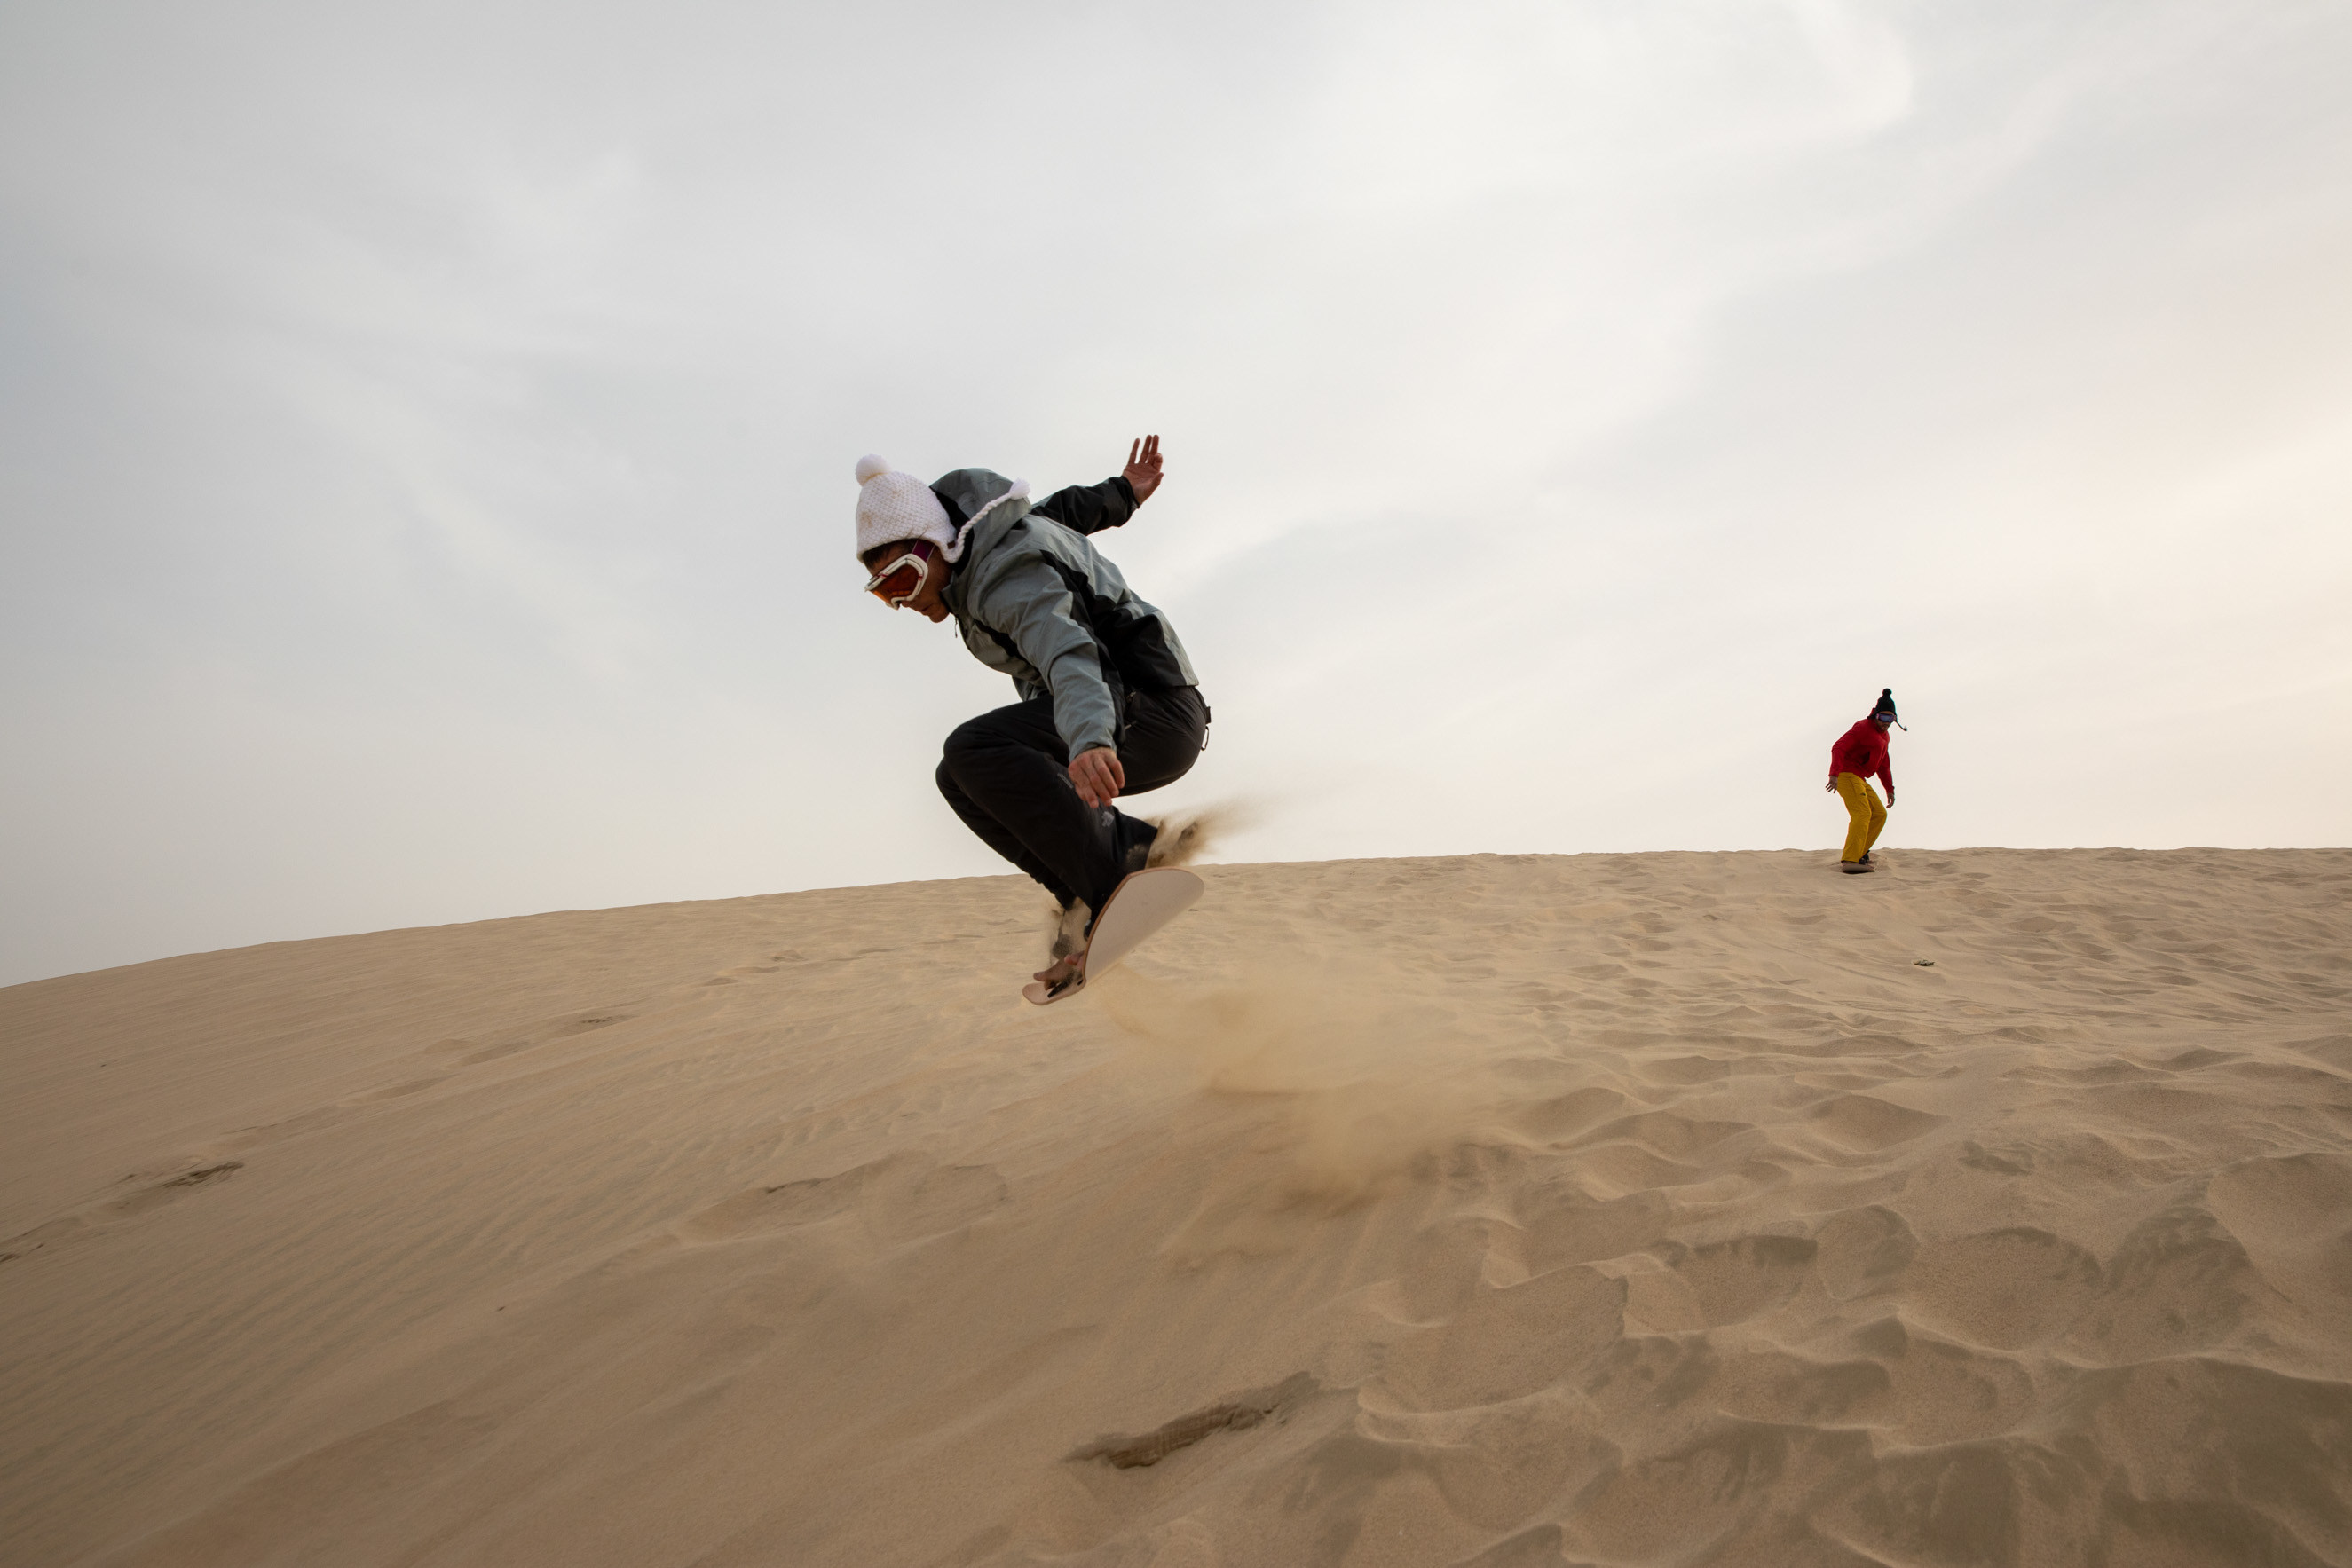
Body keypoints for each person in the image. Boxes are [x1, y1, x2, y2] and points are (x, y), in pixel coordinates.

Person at [854, 436, 1207, 982]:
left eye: (905, 579)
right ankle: (1082, 897)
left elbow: (1070, 652)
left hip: (1145, 712)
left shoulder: (1006, 577)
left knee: (974, 748)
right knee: (956, 776)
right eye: (885, 593)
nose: (904, 601)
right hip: (1129, 712)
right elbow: (1065, 512)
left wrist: (1090, 739)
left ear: (938, 545)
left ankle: (1122, 861)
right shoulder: (1001, 540)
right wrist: (1125, 493)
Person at [1826, 689, 1901, 874]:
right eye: (1883, 717)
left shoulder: (1885, 737)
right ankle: (1850, 860)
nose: (1886, 723)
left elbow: (1884, 764)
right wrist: (1834, 774)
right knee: (1862, 812)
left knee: (1879, 813)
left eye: (1890, 719)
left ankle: (1860, 853)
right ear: (1875, 715)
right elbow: (1838, 747)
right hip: (1846, 774)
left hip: (1859, 777)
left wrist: (1889, 789)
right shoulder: (1862, 728)